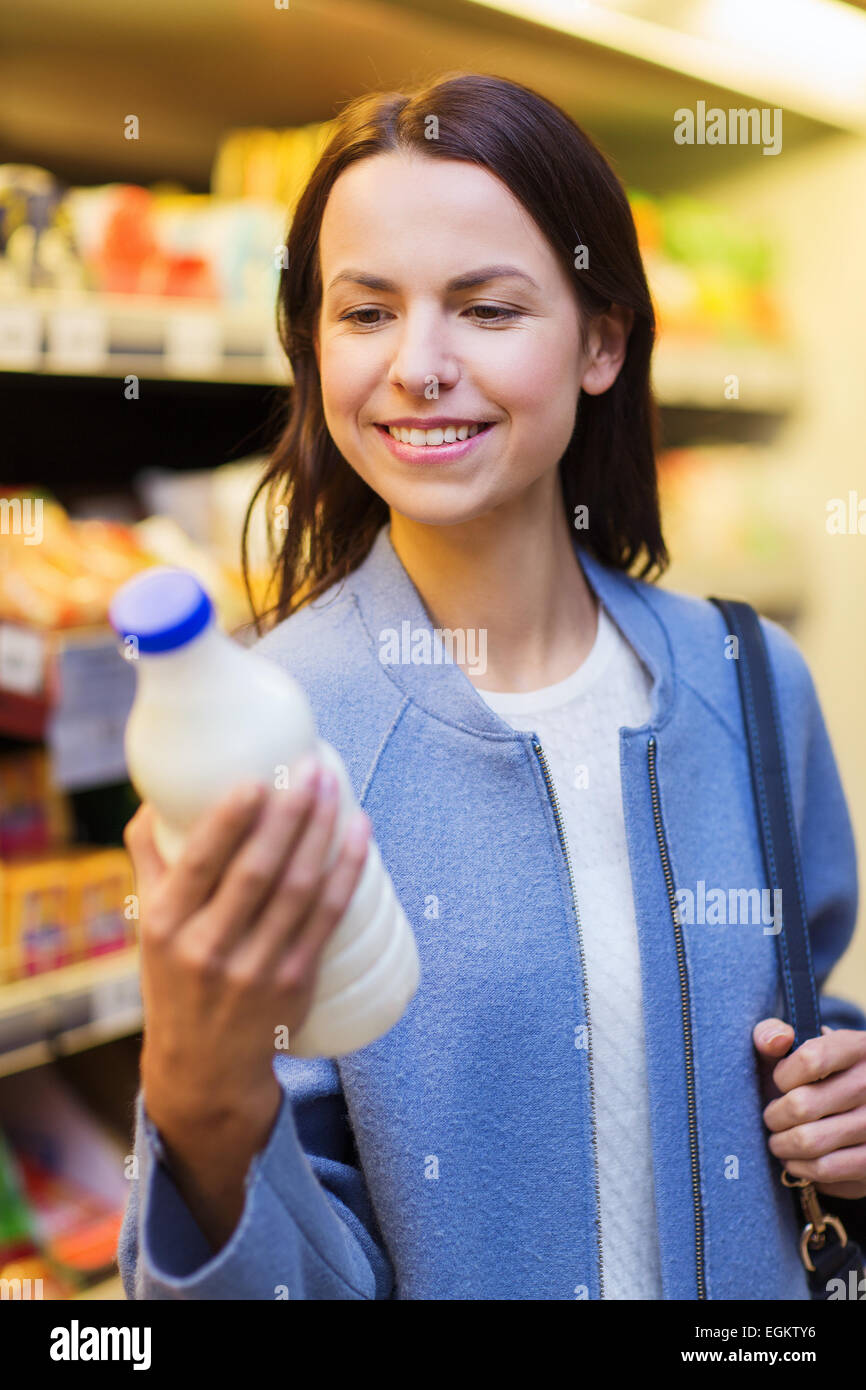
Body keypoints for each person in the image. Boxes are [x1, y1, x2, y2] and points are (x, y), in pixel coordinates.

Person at [118, 72, 866, 1301]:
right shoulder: (272, 732)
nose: (418, 366)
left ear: (601, 341)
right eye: (365, 313)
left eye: (484, 307)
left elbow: (803, 1017)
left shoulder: (748, 678)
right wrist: (200, 1108)